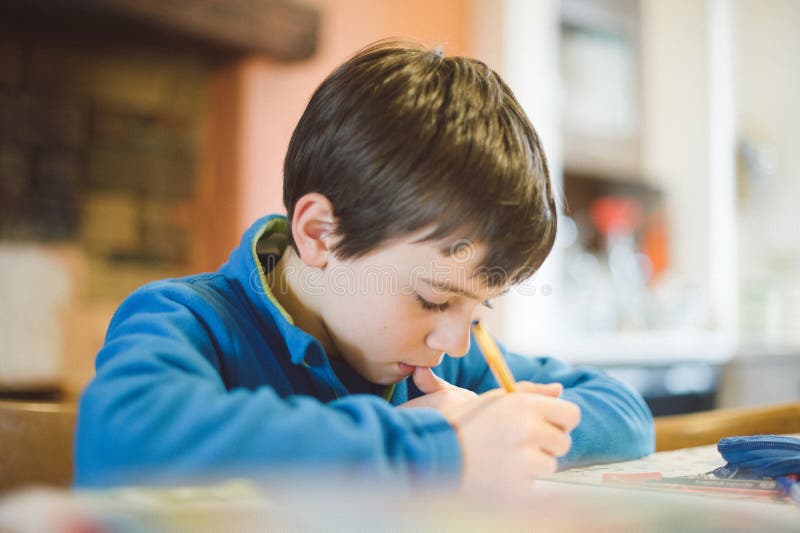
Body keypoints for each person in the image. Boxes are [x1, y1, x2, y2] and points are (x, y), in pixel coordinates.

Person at [74, 39, 654, 490]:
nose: (456, 342)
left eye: (479, 308)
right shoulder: (191, 320)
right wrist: (442, 446)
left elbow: (628, 415)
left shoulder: (438, 360)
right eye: (433, 298)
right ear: (320, 234)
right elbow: (124, 438)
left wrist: (512, 431)